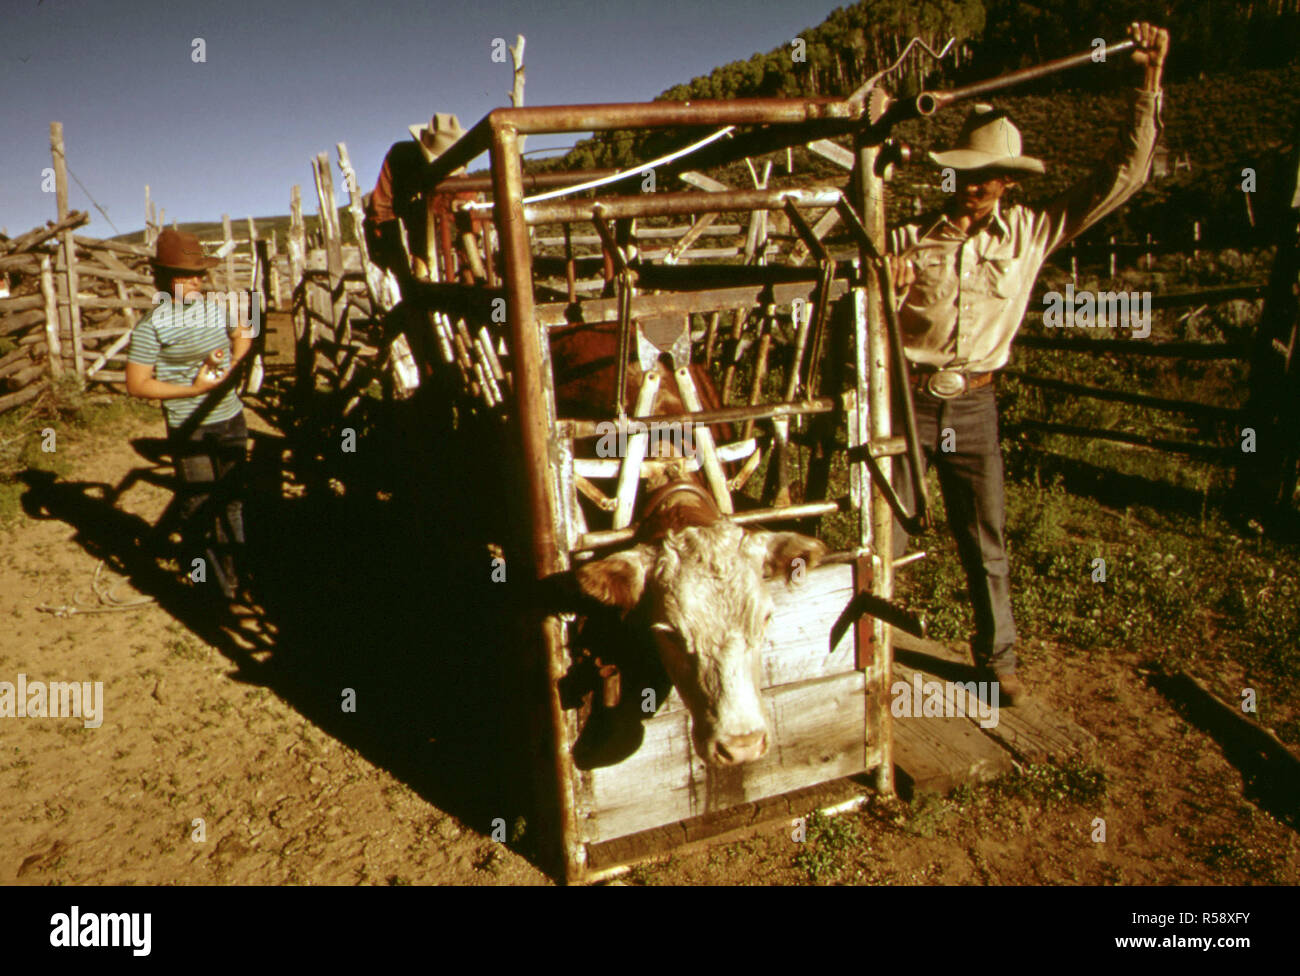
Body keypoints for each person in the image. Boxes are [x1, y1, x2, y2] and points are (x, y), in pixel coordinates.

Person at [885, 22, 1170, 704]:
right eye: (966, 173)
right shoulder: (907, 236)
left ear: (1009, 180)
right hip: (908, 396)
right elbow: (855, 300)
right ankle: (871, 660)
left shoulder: (1036, 232)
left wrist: (1148, 82)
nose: (975, 186)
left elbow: (1122, 178)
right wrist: (882, 286)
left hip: (977, 401)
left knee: (985, 537)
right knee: (883, 535)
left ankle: (997, 660)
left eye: (989, 176)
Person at [125, 228, 253, 603]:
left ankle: (238, 574)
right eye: (185, 274)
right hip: (188, 425)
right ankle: (208, 583)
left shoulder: (215, 308)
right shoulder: (153, 326)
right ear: (163, 278)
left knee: (232, 498)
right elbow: (137, 384)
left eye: (198, 273)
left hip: (230, 418)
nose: (195, 280)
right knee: (198, 503)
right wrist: (193, 391)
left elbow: (243, 332)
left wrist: (234, 366)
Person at [363, 112, 467, 285]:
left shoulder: (462, 183)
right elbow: (382, 211)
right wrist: (402, 271)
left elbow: (470, 223)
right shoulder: (400, 158)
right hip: (402, 234)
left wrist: (466, 267)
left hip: (440, 241)